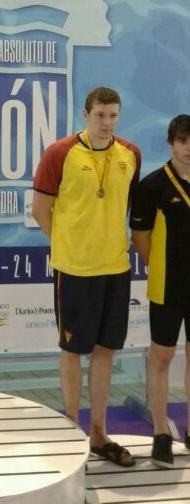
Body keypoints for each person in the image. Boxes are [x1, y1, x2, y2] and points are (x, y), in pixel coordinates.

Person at [32, 87, 141, 467]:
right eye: (100, 116)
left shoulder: (130, 154)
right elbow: (40, 209)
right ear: (85, 114)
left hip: (116, 268)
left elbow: (123, 206)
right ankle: (70, 429)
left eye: (113, 116)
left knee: (106, 351)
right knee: (72, 351)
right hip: (75, 270)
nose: (107, 123)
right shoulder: (59, 153)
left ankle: (98, 433)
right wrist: (67, 244)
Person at [131, 114, 190, 469]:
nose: (188, 149)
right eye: (182, 141)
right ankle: (160, 434)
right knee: (162, 356)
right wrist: (164, 268)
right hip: (167, 287)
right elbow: (140, 236)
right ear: (171, 143)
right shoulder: (153, 185)